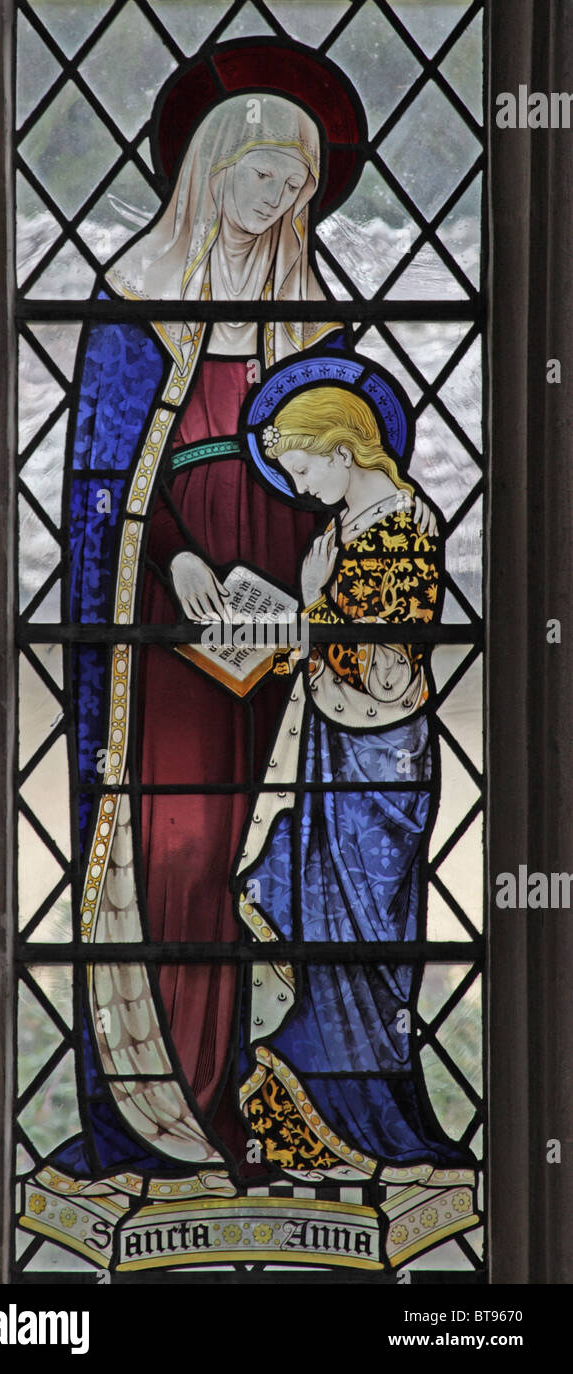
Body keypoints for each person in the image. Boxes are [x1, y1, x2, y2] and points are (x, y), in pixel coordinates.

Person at [60, 94, 436, 1181]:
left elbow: (355, 492)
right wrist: (175, 565)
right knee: (175, 850)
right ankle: (168, 1116)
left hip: (288, 624)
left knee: (266, 857)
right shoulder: (135, 304)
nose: (274, 199)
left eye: (294, 184)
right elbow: (103, 489)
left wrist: (308, 592)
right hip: (171, 623)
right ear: (209, 169)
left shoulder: (308, 319)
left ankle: (281, 1109)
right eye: (260, 172)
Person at [235, 384, 477, 1220]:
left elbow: (382, 665)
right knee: (312, 934)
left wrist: (294, 628)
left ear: (343, 450)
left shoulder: (407, 529)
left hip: (379, 762)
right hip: (325, 750)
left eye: (302, 468)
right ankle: (322, 1133)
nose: (297, 487)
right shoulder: (340, 529)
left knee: (364, 947)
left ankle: (374, 1131)